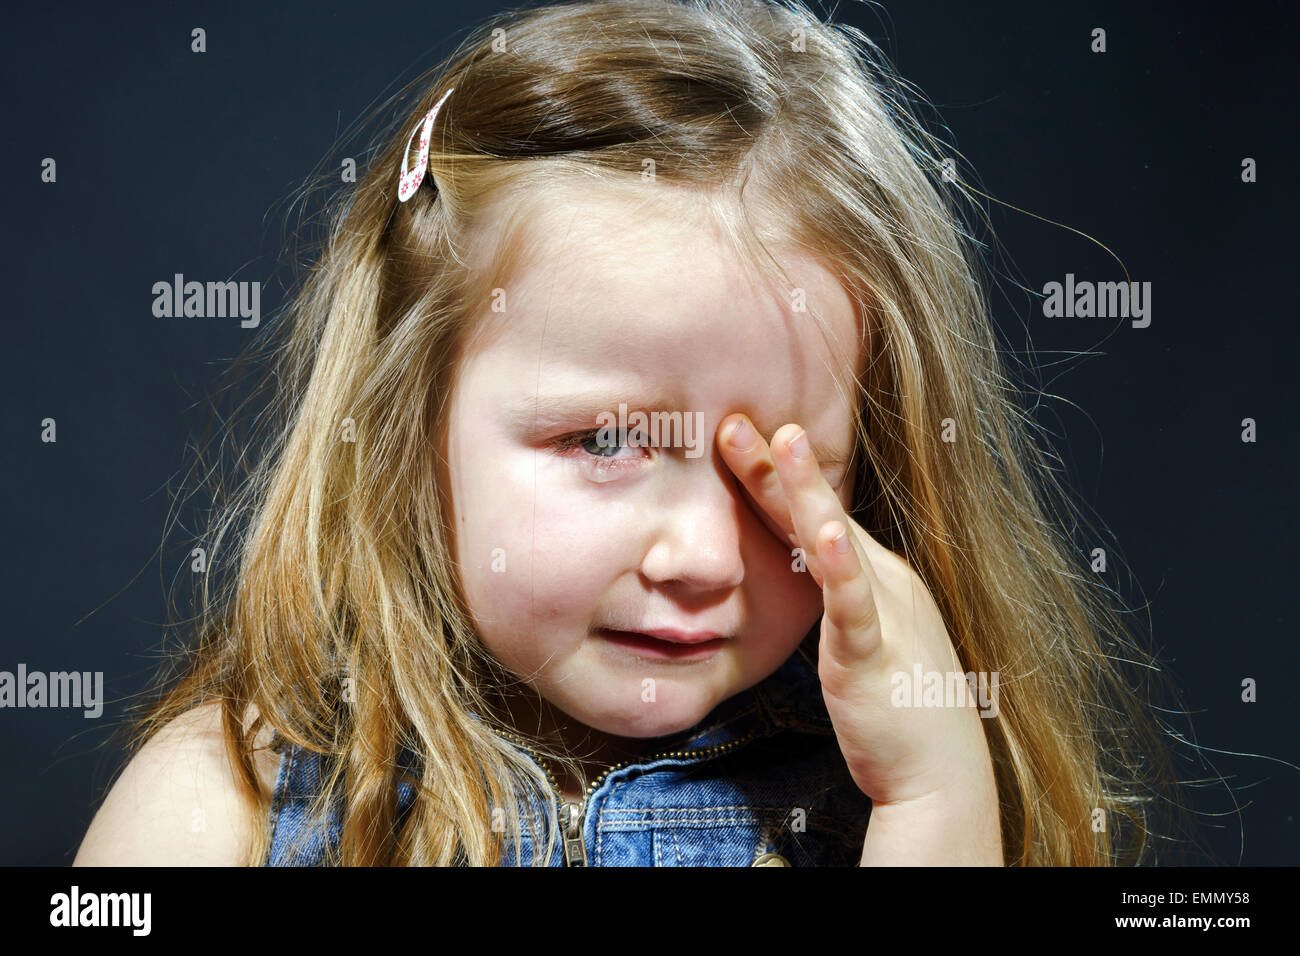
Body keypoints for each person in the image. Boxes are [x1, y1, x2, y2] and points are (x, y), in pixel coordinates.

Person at [74, 0, 1185, 866]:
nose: (700, 557)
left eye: (777, 474)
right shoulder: (224, 804)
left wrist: (936, 797)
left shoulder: (868, 804)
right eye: (604, 443)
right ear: (407, 425)